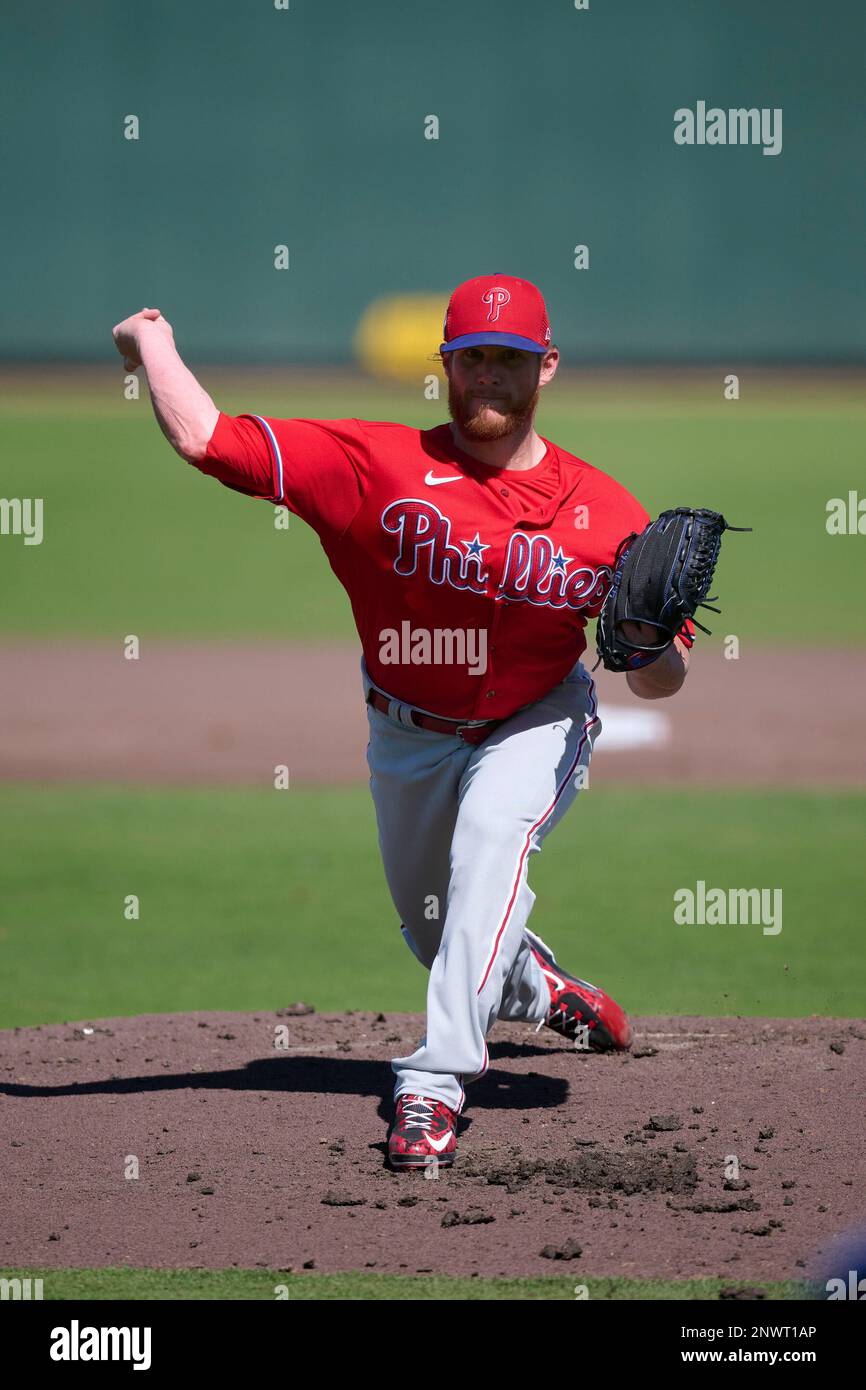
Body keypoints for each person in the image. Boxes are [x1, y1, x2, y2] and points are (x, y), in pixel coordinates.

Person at [112, 273, 691, 1170]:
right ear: (445, 368)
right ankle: (538, 989)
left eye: (508, 359)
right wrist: (152, 340)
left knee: (494, 840)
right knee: (436, 926)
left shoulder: (607, 515)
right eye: (470, 359)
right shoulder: (371, 465)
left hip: (536, 719)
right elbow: (210, 440)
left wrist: (652, 646)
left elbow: (662, 684)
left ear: (547, 367)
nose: (487, 376)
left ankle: (433, 1086)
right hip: (408, 731)